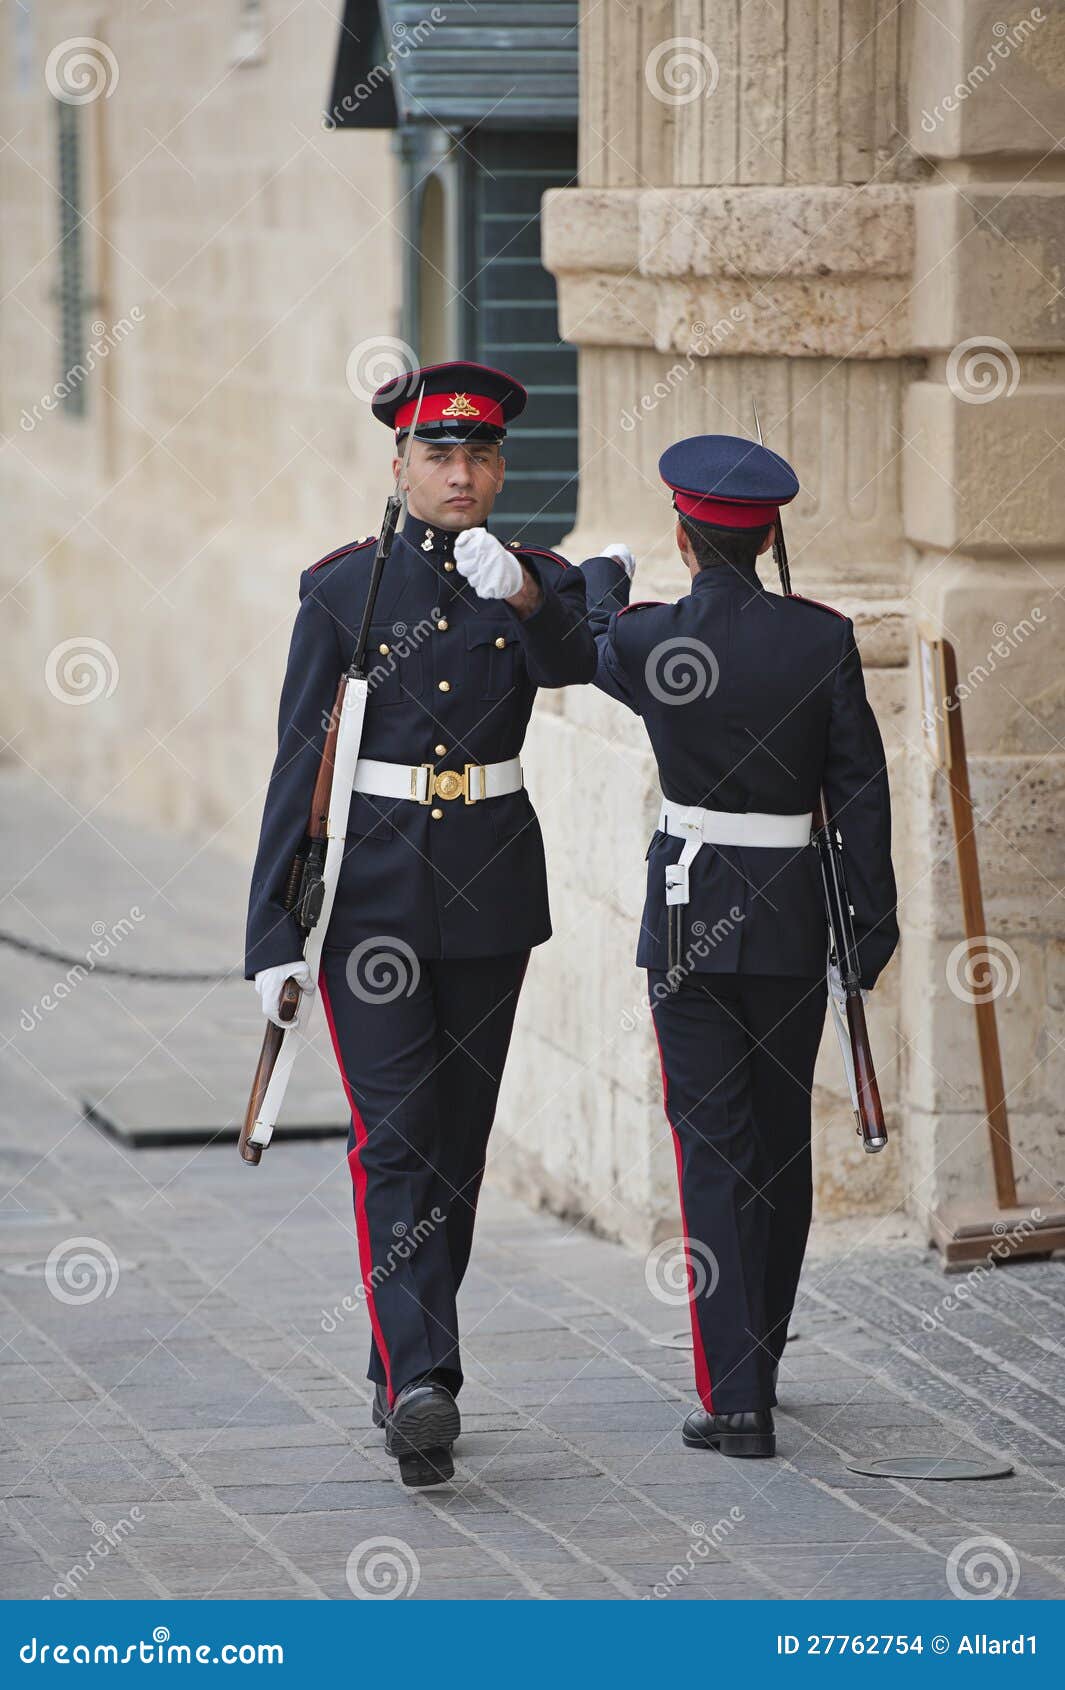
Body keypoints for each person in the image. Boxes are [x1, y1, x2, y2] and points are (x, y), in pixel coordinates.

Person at [244, 361, 596, 1485]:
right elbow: (299, 760)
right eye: (440, 454)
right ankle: (421, 1382)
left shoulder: (534, 580)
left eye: (481, 455)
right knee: (392, 1139)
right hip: (378, 899)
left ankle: (405, 1351)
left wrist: (532, 599)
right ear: (398, 467)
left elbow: (581, 664)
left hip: (490, 891)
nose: (462, 472)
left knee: (455, 1147)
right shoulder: (343, 589)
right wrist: (269, 937)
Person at [578, 433, 898, 1458]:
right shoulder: (821, 639)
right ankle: (759, 1350)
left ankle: (735, 1397)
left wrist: (600, 579)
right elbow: (859, 789)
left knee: (711, 1148)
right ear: (767, 537)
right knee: (778, 1135)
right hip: (795, 911)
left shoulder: (655, 638)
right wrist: (869, 924)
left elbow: (592, 641)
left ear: (683, 534)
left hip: (690, 911)